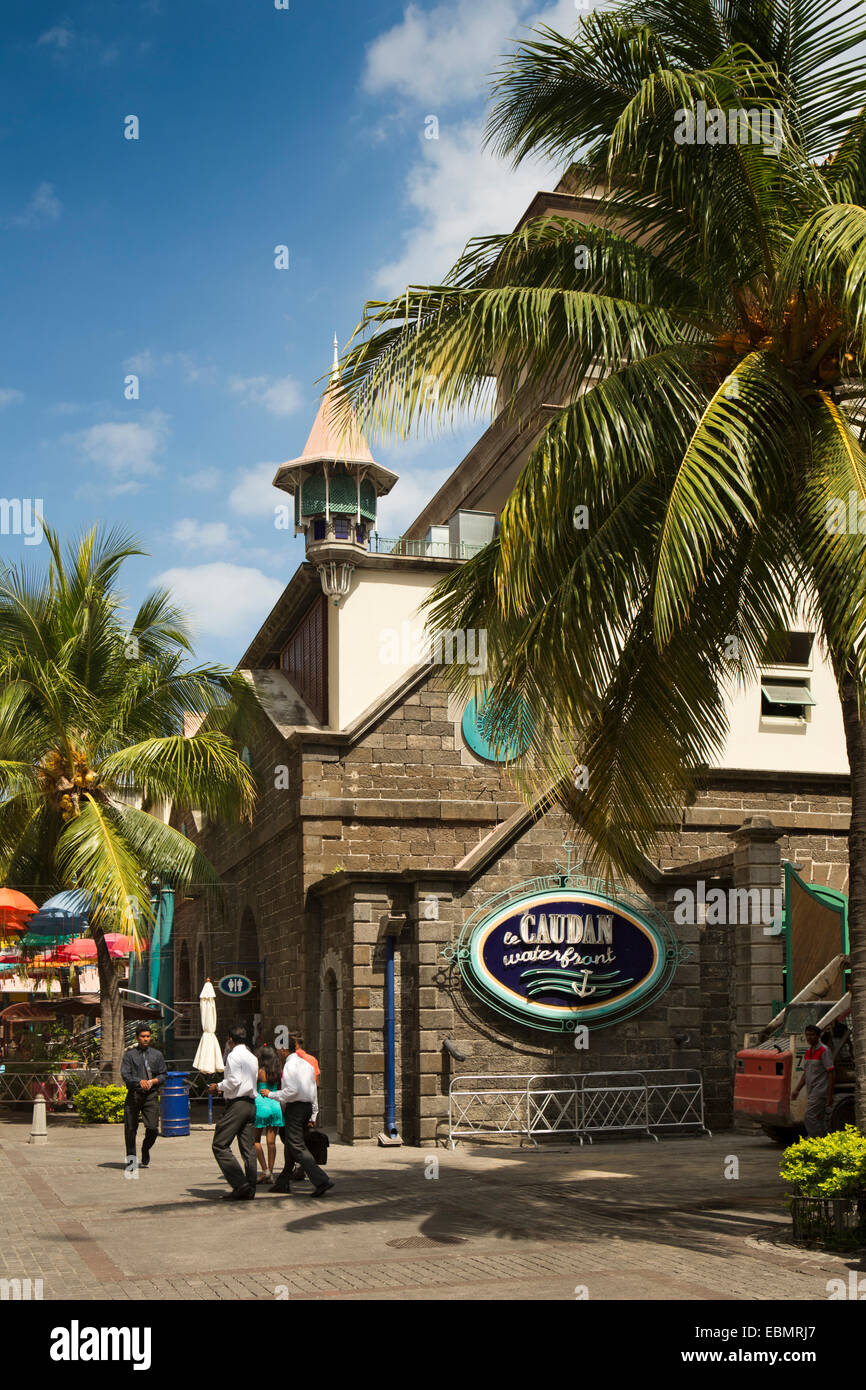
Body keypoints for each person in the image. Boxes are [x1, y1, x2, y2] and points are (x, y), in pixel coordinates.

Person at [262, 1035, 333, 1197]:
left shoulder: (289, 1066)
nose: (278, 1053)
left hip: (296, 1108)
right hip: (307, 1107)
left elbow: (291, 1091)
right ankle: (283, 1182)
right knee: (290, 1143)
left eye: (279, 1050)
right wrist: (313, 1114)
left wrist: (271, 1094)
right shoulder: (306, 1065)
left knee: (296, 1145)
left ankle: (321, 1180)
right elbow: (313, 1090)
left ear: (284, 1050)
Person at [208, 1026, 259, 1200]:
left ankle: (240, 1184)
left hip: (237, 1104)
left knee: (220, 1144)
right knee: (248, 1148)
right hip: (251, 1103)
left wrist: (218, 1087)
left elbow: (234, 1081)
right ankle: (250, 1187)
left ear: (230, 1039)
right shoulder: (252, 1057)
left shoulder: (233, 1056)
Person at [121, 1023, 167, 1169]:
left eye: (148, 1036)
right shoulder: (129, 1055)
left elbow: (163, 1074)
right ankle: (131, 1161)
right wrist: (139, 1082)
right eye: (143, 1036)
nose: (146, 1039)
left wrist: (152, 1082)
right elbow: (126, 1075)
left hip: (151, 1096)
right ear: (137, 1037)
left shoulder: (157, 1055)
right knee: (130, 1129)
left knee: (153, 1128)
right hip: (134, 1095)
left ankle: (145, 1149)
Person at [793, 1024, 835, 1137]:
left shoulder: (824, 1050)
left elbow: (831, 1073)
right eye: (807, 1035)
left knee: (809, 1116)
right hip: (811, 1091)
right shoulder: (808, 1052)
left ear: (818, 1036)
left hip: (820, 1091)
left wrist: (830, 1095)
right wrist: (797, 1089)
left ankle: (814, 1140)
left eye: (812, 1035)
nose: (809, 1037)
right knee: (819, 1119)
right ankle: (824, 1142)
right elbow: (805, 1073)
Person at [254, 1045, 284, 1184]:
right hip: (275, 1105)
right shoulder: (277, 1072)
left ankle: (265, 1170)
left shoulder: (259, 1072)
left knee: (255, 1140)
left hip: (261, 1105)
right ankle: (271, 1172)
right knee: (271, 1142)